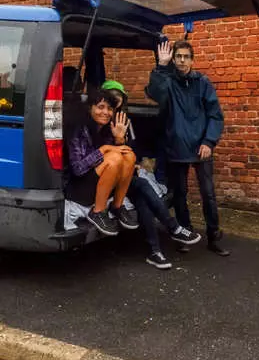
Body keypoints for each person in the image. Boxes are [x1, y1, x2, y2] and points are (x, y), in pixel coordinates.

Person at [100, 80, 202, 269]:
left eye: (118, 98)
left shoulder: (123, 120)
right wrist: (118, 141)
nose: (113, 105)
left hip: (126, 173)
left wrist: (133, 160)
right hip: (108, 176)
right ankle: (172, 227)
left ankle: (155, 251)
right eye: (109, 100)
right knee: (142, 187)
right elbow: (103, 155)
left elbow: (132, 149)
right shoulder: (101, 122)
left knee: (142, 198)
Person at [146, 40, 230, 257]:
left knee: (208, 194)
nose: (182, 60)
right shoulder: (168, 81)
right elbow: (156, 94)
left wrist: (209, 142)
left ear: (192, 59)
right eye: (178, 57)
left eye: (186, 56)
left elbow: (215, 115)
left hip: (201, 146)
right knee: (180, 195)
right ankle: (185, 234)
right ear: (173, 59)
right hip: (176, 146)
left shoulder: (202, 82)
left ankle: (213, 236)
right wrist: (162, 67)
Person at [65, 89, 139, 236]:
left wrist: (118, 140)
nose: (105, 112)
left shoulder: (106, 130)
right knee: (114, 158)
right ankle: (98, 212)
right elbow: (78, 169)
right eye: (100, 107)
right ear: (90, 108)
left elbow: (121, 164)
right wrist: (104, 149)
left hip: (102, 186)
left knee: (129, 155)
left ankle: (117, 206)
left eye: (109, 109)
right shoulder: (78, 130)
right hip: (79, 190)